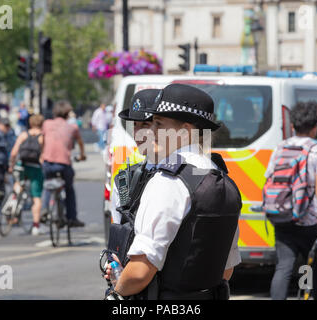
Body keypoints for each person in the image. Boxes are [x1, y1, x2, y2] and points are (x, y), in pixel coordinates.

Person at [104, 84, 242, 300]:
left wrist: (116, 293)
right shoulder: (223, 180)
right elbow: (226, 269)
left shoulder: (168, 181)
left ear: (185, 131)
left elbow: (140, 272)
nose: (151, 132)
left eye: (158, 124)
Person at [265, 100, 317, 300]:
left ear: (293, 126)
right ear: (315, 128)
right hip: (311, 221)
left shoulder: (281, 147)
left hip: (283, 215)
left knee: (284, 267)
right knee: (315, 268)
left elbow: (269, 177)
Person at [110, 89, 160, 224]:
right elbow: (119, 228)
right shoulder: (124, 178)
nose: (137, 133)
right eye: (134, 125)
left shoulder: (185, 174)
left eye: (145, 124)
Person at [42, 100, 87, 228]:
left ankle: (45, 209)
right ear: (68, 113)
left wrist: (42, 154)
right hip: (63, 163)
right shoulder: (72, 127)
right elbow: (80, 143)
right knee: (69, 189)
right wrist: (82, 155)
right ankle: (72, 218)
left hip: (48, 162)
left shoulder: (47, 124)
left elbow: (42, 140)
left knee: (47, 185)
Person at [9, 114, 45, 236]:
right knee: (36, 197)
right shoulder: (42, 137)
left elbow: (14, 152)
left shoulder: (24, 134)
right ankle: (36, 226)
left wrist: (11, 165)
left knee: (18, 183)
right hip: (35, 168)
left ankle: (14, 202)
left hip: (22, 165)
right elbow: (44, 156)